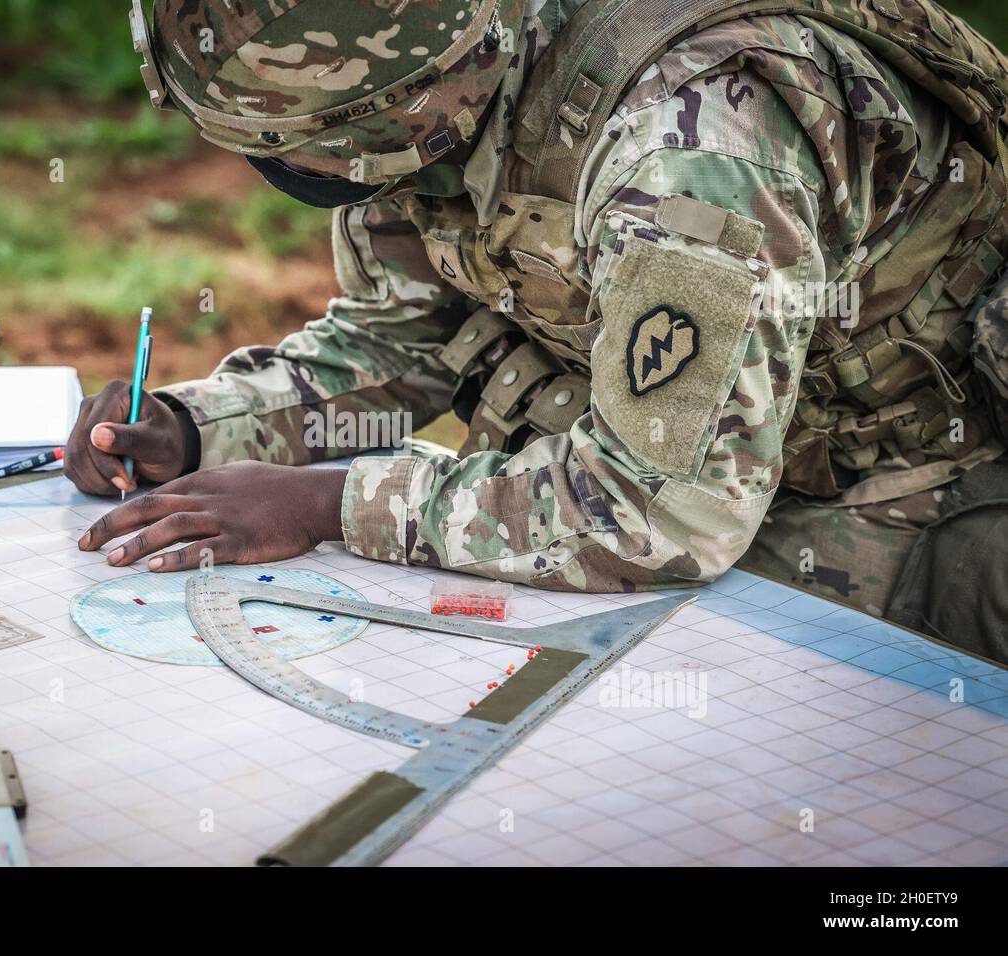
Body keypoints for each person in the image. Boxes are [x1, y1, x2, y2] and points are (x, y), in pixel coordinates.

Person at [68, 0, 1008, 662]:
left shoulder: (686, 151)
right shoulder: (448, 86)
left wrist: (330, 504)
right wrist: (196, 428)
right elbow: (405, 344)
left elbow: (660, 513)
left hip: (904, 491)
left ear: (385, 126)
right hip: (719, 468)